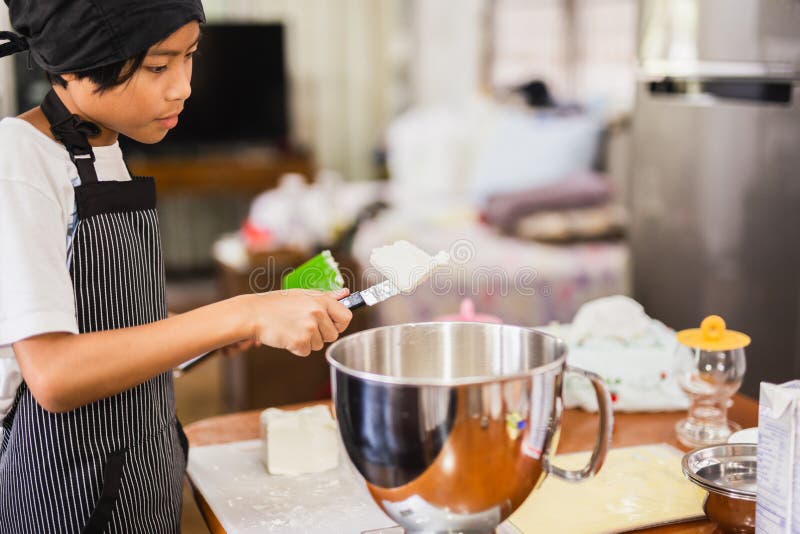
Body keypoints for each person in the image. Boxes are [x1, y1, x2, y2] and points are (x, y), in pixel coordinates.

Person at [0, 1, 353, 532]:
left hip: (141, 483)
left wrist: (205, 338)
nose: (183, 86)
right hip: (65, 500)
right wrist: (236, 314)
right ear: (74, 62)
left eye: (190, 57)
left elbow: (117, 340)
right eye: (158, 67)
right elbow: (54, 374)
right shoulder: (19, 162)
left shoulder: (107, 150)